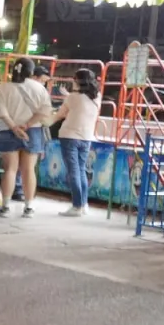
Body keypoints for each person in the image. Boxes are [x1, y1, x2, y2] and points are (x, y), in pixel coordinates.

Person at [0, 57, 54, 218]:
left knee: (10, 169)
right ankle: (29, 207)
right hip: (32, 131)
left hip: (7, 130)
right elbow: (45, 111)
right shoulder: (39, 88)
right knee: (28, 170)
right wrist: (26, 125)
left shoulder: (5, 87)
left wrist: (14, 127)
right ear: (32, 72)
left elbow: (1, 111)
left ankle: (5, 207)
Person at [52, 68, 101, 217]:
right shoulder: (97, 96)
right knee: (81, 171)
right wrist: (68, 95)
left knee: (73, 171)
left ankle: (76, 206)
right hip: (86, 138)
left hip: (70, 136)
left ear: (77, 81)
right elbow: (81, 101)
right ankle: (84, 205)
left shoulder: (73, 98)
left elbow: (60, 115)